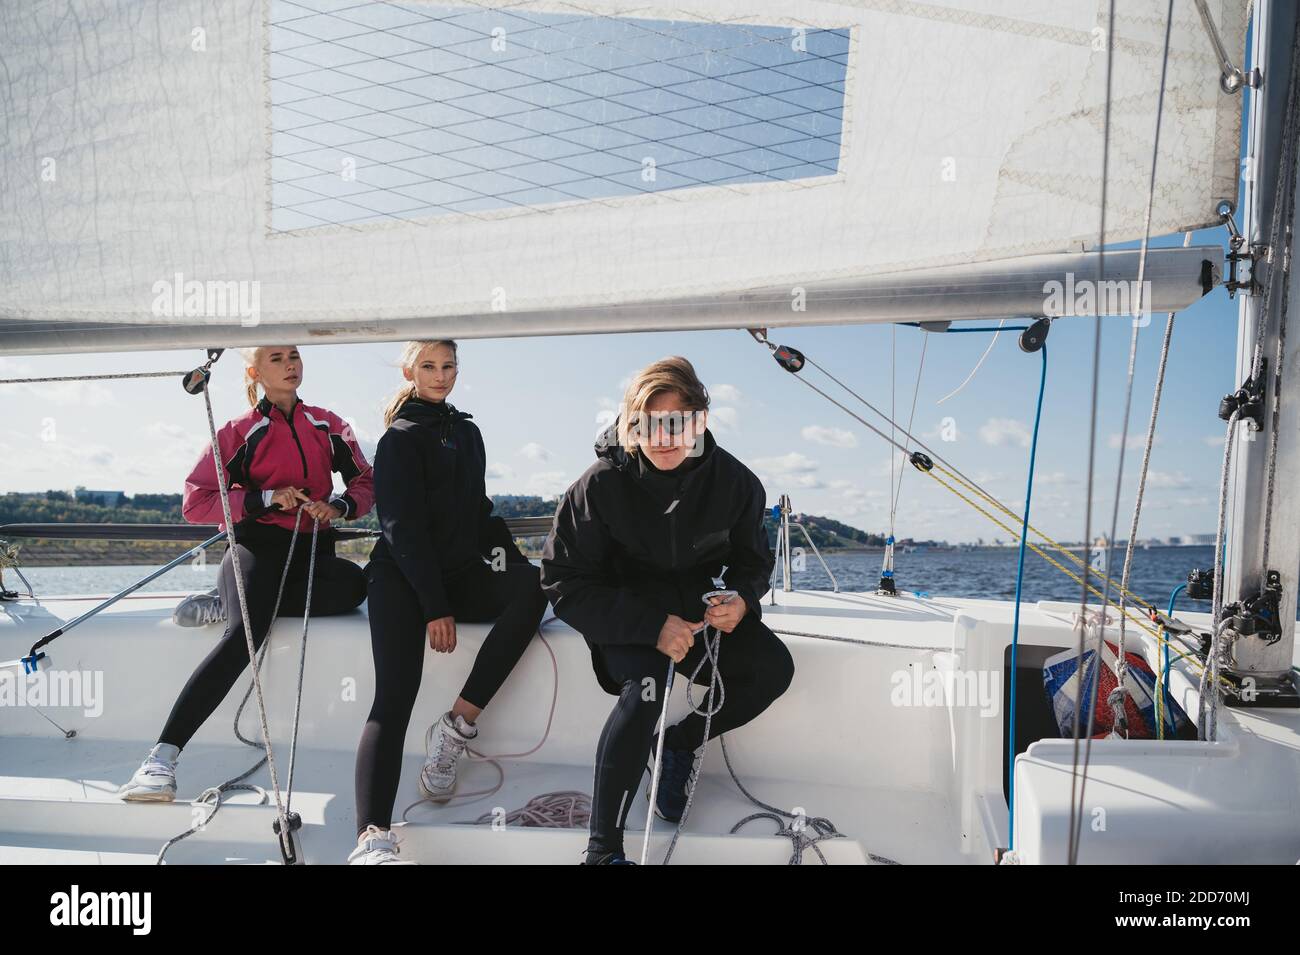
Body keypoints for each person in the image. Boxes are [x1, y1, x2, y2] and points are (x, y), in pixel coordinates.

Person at [541, 356, 794, 865]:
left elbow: (754, 562)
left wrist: (742, 600)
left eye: (676, 422)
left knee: (773, 670)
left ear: (701, 420)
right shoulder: (598, 486)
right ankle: (603, 851)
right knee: (647, 689)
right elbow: (563, 581)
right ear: (630, 425)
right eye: (647, 425)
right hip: (623, 610)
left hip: (694, 606)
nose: (662, 438)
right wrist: (650, 627)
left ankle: (677, 745)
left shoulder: (735, 483)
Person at [118, 345, 373, 801]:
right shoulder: (239, 431)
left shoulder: (329, 424)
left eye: (294, 355)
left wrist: (336, 506)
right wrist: (264, 499)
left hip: (312, 548)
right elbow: (196, 503)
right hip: (257, 546)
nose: (291, 364)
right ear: (256, 372)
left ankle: (232, 601)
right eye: (277, 358)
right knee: (246, 636)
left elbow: (365, 480)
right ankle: (160, 759)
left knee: (356, 585)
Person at [351, 340, 547, 865]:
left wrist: (513, 563)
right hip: (400, 577)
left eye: (449, 366)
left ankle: (456, 726)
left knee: (533, 590)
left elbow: (479, 513)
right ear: (410, 371)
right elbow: (400, 527)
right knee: (394, 698)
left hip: (457, 573)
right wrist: (434, 605)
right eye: (430, 367)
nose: (441, 376)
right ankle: (371, 836)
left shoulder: (467, 432)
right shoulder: (399, 437)